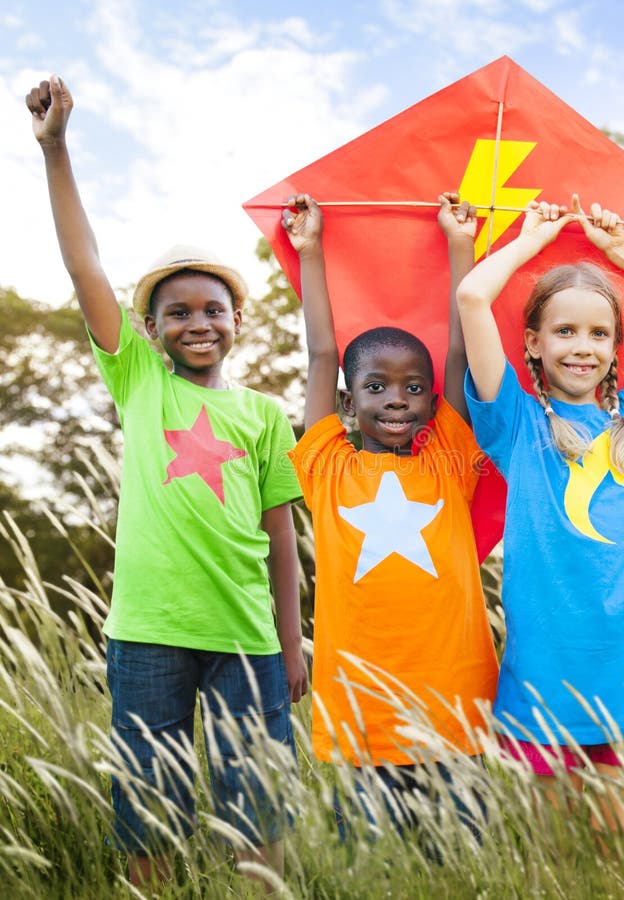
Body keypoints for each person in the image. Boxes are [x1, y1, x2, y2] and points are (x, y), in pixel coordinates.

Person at [26, 75, 308, 888]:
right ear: (148, 331)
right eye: (177, 313)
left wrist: (292, 641)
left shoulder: (264, 414)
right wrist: (56, 149)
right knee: (148, 800)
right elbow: (85, 266)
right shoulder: (141, 382)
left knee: (257, 800)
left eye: (212, 309)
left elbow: (282, 538)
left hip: (248, 638)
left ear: (238, 320)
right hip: (149, 631)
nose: (197, 322)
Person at [456, 193, 624, 839]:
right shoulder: (515, 422)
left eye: (599, 334)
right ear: (533, 343)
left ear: (616, 347)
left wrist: (619, 250)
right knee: (557, 857)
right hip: (546, 675)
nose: (582, 347)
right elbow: (473, 297)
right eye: (564, 331)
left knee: (615, 851)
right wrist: (530, 242)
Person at [281, 192, 499, 841]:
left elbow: (458, 353)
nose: (397, 399)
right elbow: (322, 354)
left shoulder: (450, 460)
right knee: (375, 867)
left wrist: (461, 244)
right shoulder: (327, 467)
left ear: (432, 402)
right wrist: (310, 250)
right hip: (362, 706)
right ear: (349, 404)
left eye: (413, 387)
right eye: (376, 387)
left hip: (454, 702)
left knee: (460, 861)